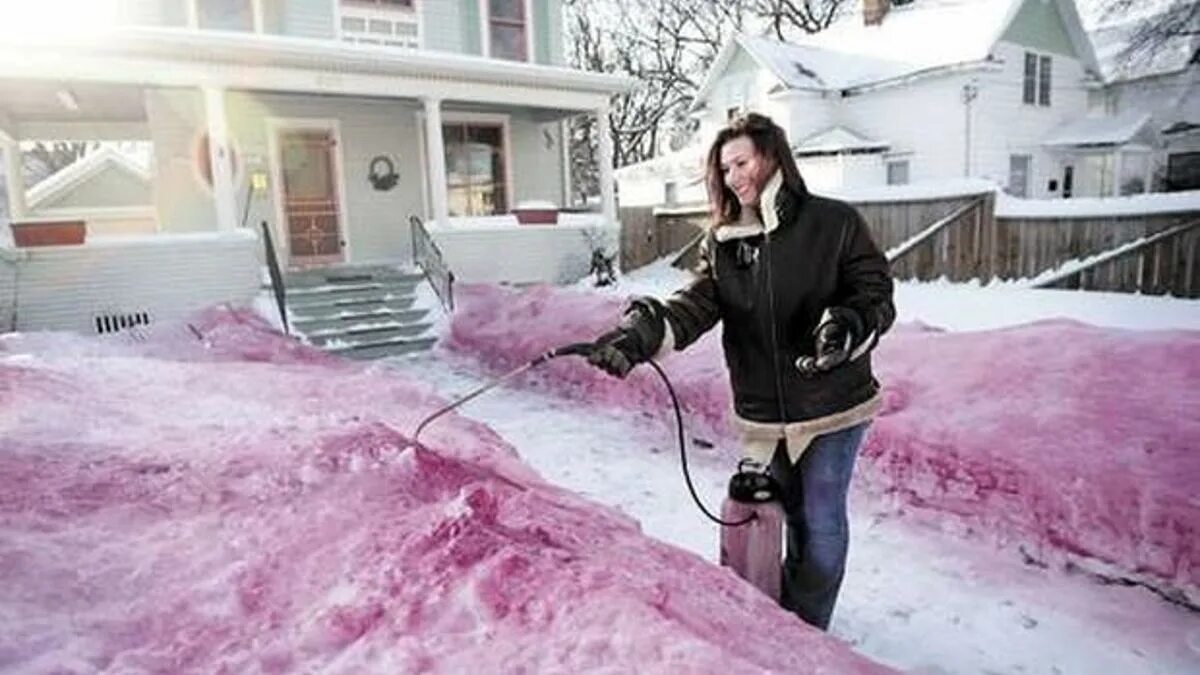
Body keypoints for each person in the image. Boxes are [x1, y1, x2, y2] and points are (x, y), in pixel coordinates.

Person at [586, 112, 895, 630]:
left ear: (772, 156)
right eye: (724, 168)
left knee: (819, 524)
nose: (733, 176)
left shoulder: (834, 223)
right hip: (764, 414)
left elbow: (874, 294)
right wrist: (643, 333)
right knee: (779, 514)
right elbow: (695, 305)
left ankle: (809, 630)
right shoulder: (725, 241)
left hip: (833, 405)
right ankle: (782, 623)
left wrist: (847, 326)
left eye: (742, 161)